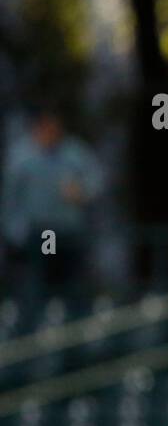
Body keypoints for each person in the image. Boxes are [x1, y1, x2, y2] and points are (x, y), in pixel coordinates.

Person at [1, 107, 103, 303]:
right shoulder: (21, 157)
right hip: (38, 234)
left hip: (69, 231)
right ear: (37, 128)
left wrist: (83, 192)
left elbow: (97, 180)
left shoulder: (75, 152)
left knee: (71, 286)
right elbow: (10, 200)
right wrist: (15, 234)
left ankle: (66, 317)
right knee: (39, 286)